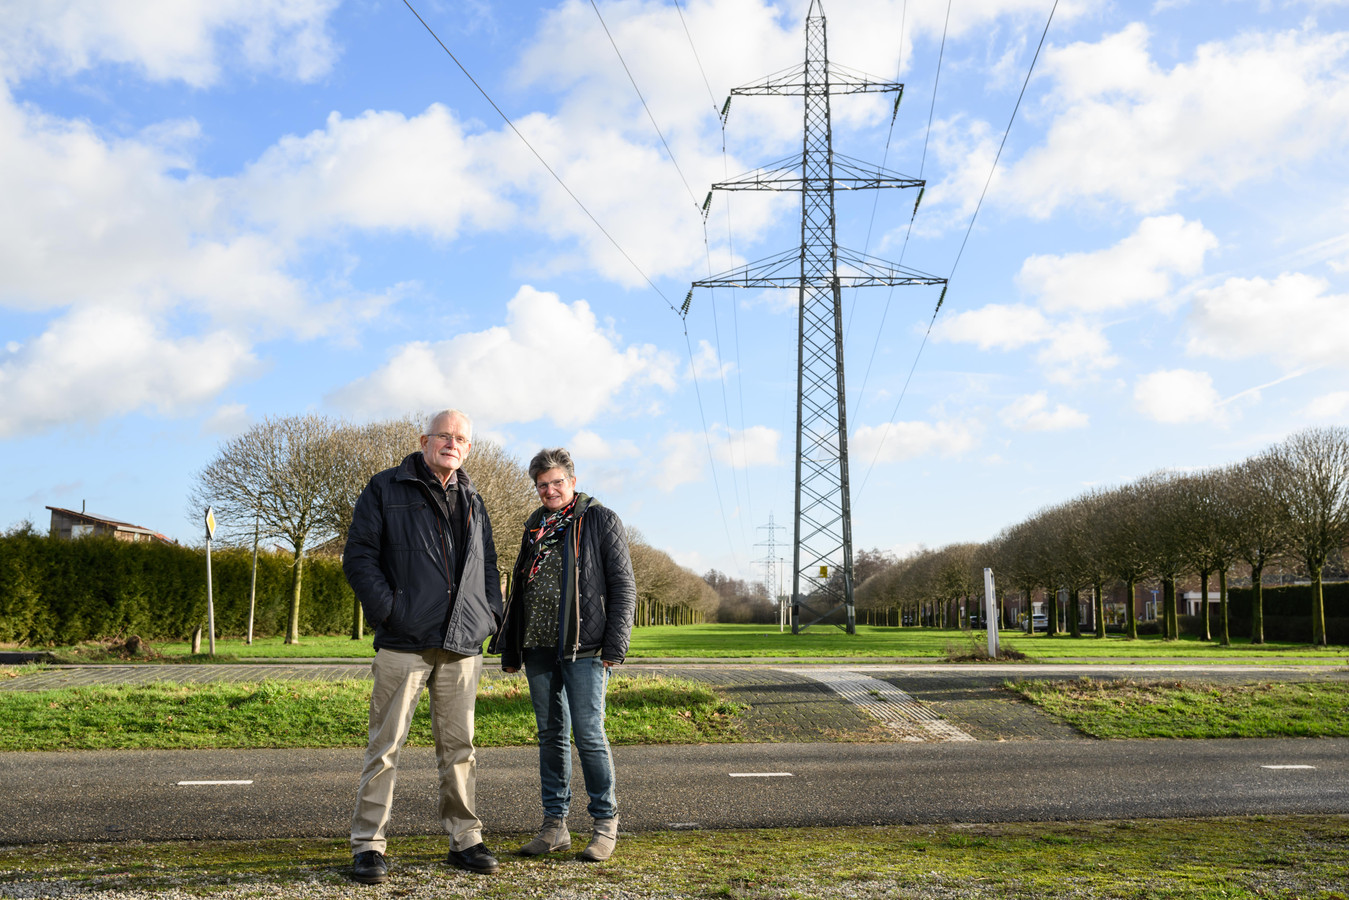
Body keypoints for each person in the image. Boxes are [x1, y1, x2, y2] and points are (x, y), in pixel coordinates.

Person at [343, 409, 503, 883]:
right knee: (385, 746)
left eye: (461, 438)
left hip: (462, 645)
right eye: (444, 436)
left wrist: (488, 614)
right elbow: (359, 557)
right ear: (424, 440)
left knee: (460, 748)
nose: (452, 443)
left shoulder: (474, 499)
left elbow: (489, 567)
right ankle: (369, 844)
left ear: (468, 448)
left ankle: (465, 839)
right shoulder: (385, 488)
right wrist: (392, 611)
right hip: (403, 642)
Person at [490, 447, 636, 862]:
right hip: (538, 648)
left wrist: (615, 646)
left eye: (556, 482)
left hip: (585, 648)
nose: (549, 490)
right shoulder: (534, 526)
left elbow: (624, 588)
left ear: (572, 481)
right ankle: (555, 825)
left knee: (589, 736)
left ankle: (605, 824)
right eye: (542, 485)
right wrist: (511, 646)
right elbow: (520, 591)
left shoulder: (600, 520)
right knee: (550, 735)